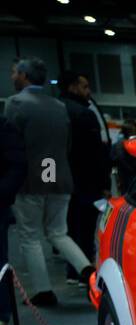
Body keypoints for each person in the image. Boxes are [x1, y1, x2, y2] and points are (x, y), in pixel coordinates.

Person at [5, 57, 93, 308]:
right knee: (58, 232)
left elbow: (12, 145)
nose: (12, 76)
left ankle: (43, 290)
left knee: (30, 236)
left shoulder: (16, 104)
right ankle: (86, 269)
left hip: (32, 179)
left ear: (24, 75)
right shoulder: (58, 106)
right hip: (59, 176)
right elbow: (65, 146)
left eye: (14, 72)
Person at [59, 71, 111, 284]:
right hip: (86, 180)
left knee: (69, 227)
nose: (88, 92)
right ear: (73, 87)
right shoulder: (84, 114)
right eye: (85, 86)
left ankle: (73, 271)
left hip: (63, 179)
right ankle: (85, 273)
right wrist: (104, 183)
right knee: (87, 227)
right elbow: (96, 153)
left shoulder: (58, 109)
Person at [0, 115, 26, 325]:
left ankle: (2, 314)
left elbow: (20, 163)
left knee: (36, 236)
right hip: (50, 182)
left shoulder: (17, 110)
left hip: (43, 184)